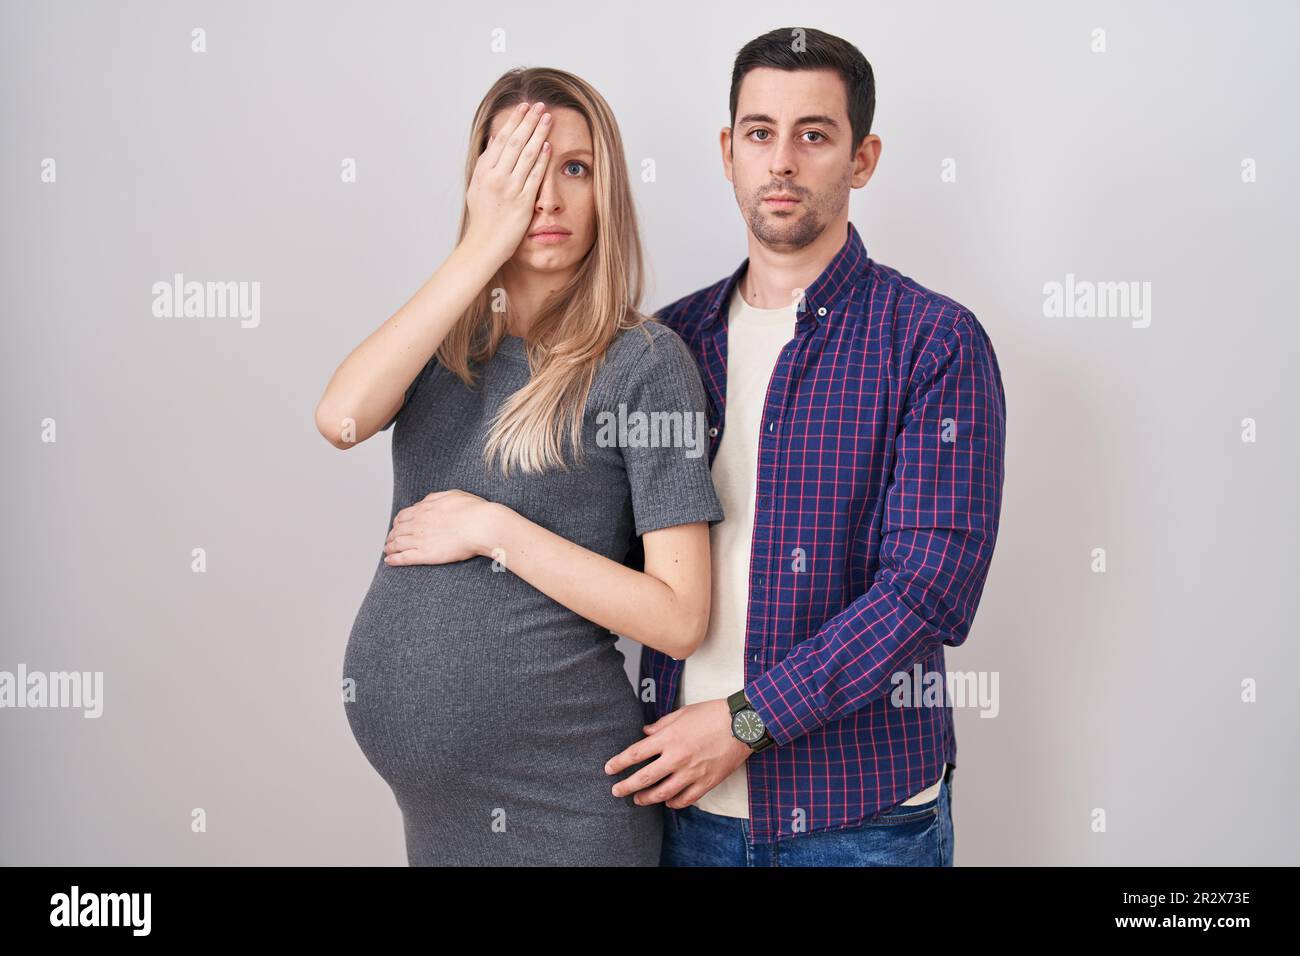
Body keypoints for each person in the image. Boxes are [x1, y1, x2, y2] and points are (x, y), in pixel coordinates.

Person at [603, 27, 1007, 867]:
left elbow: (928, 593)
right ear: (728, 150)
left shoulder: (934, 342)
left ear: (862, 159)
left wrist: (746, 722)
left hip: (861, 821)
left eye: (814, 135)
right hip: (680, 810)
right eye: (760, 133)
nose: (781, 162)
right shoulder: (665, 344)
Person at [314, 67, 724, 866]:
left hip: (565, 803)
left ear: (606, 188)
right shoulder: (447, 346)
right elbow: (340, 418)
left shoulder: (645, 362)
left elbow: (679, 617)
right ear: (483, 184)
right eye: (522, 169)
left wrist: (494, 528)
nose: (548, 198)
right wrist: (478, 248)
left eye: (574, 168)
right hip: (442, 818)